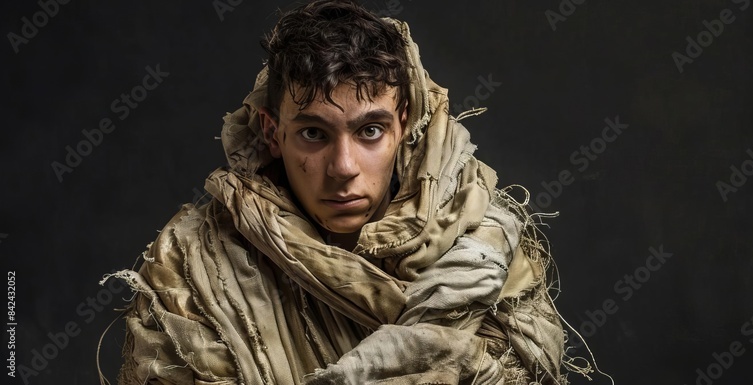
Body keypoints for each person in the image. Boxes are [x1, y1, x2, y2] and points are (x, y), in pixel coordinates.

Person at [108, 1, 581, 384]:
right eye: (314, 134)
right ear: (273, 133)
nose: (343, 168)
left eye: (370, 131)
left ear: (402, 126)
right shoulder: (192, 265)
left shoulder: (482, 242)